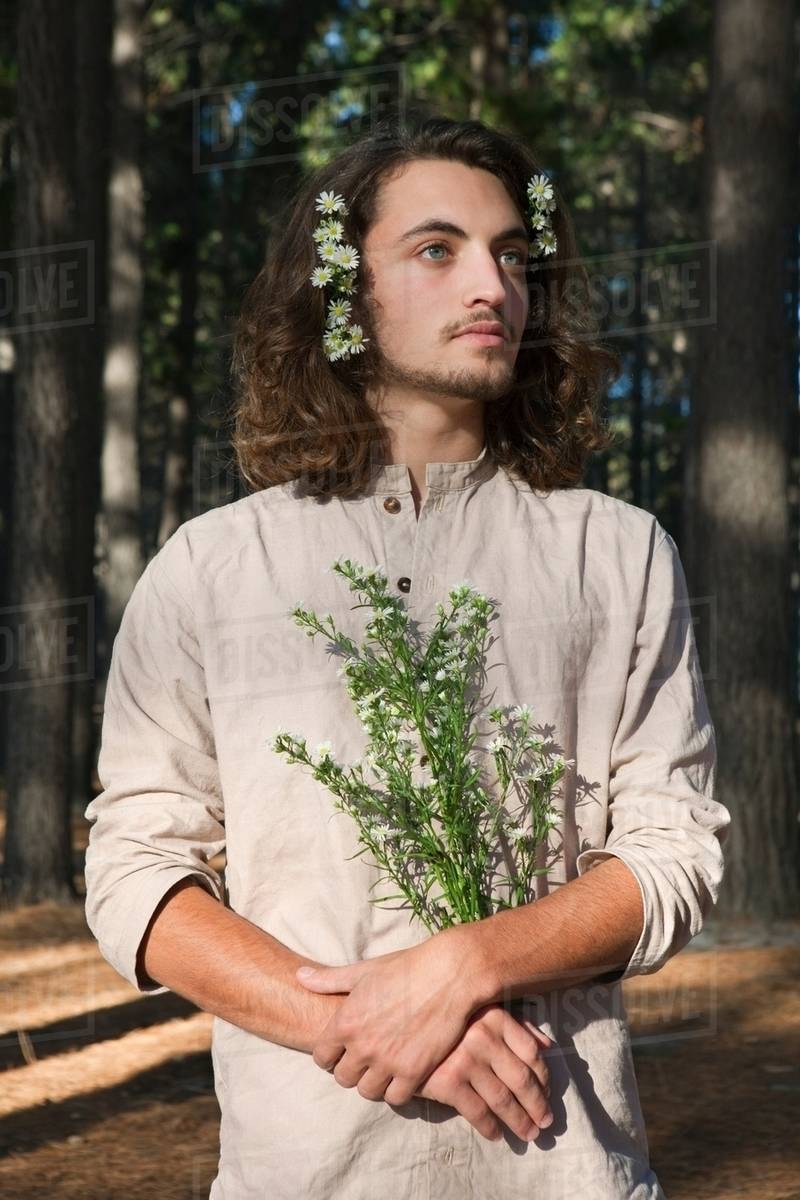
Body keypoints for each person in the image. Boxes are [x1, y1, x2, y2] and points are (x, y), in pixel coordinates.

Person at [83, 111, 731, 1199]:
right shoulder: (209, 569)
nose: (491, 286)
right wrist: (359, 1018)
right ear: (342, 293)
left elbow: (675, 854)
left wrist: (462, 966)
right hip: (306, 1166)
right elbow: (137, 871)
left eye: (512, 255)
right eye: (438, 249)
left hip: (561, 1164)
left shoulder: (615, 554)